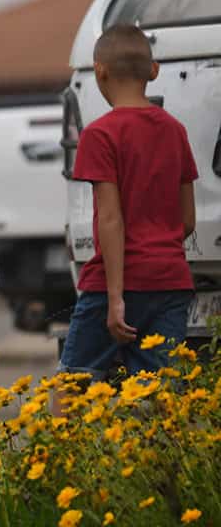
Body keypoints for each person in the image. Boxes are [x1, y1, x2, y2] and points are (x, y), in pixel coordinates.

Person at [57, 24, 197, 383]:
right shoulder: (175, 131)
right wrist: (158, 252)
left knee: (72, 385)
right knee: (161, 394)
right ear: (154, 71)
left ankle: (59, 442)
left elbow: (111, 219)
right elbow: (187, 220)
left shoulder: (100, 134)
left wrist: (116, 296)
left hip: (112, 284)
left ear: (99, 70)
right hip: (170, 281)